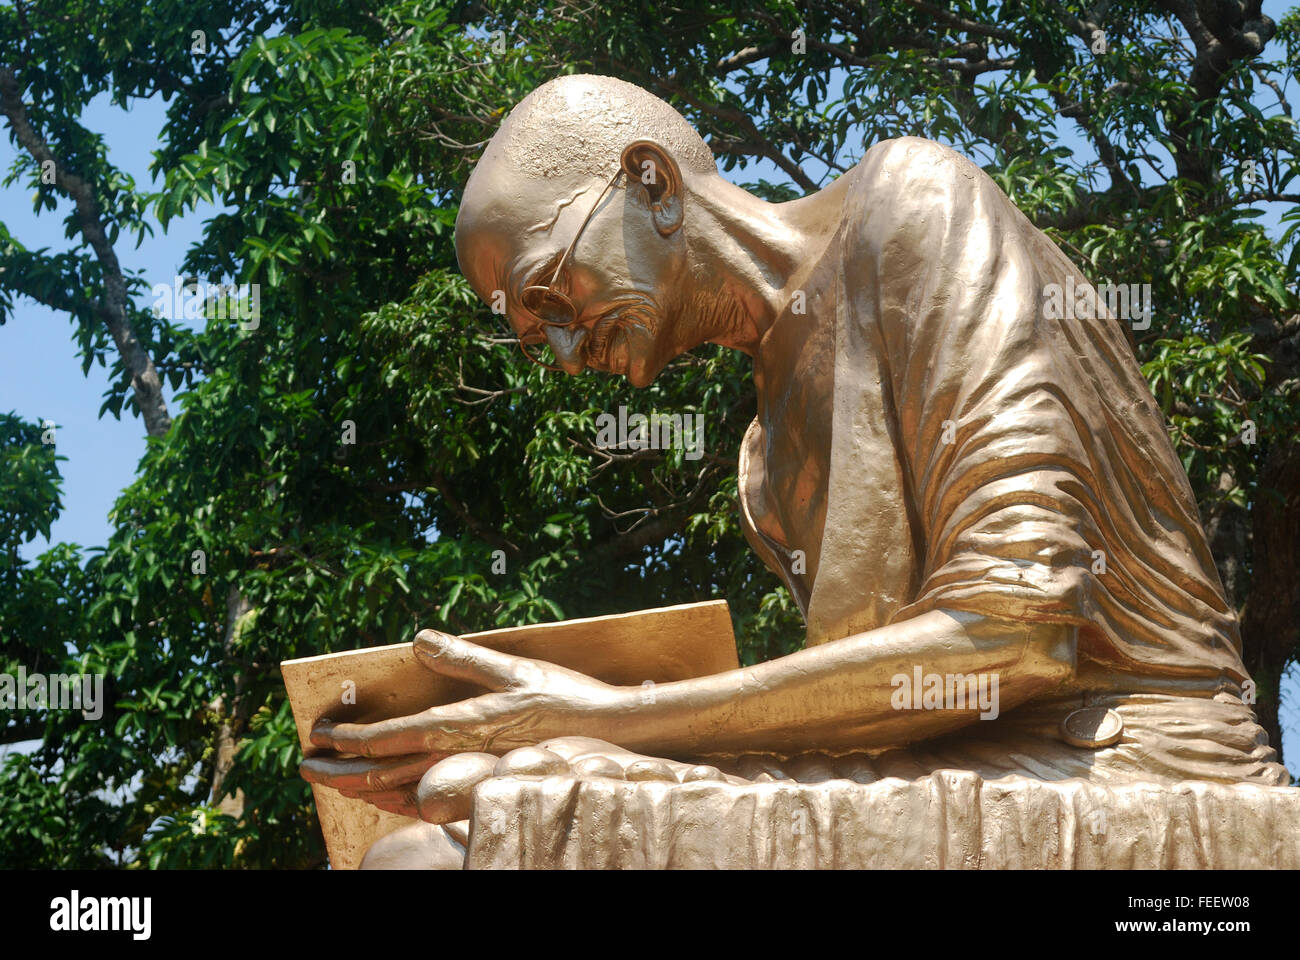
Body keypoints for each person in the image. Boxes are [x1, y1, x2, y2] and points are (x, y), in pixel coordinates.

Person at [301, 75, 1287, 865]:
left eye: (552, 291)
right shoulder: (763, 459)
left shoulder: (910, 204)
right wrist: (585, 727)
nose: (563, 351)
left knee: (507, 816)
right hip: (950, 762)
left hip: (1118, 758)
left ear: (651, 183)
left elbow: (1015, 635)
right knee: (441, 828)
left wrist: (621, 718)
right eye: (532, 336)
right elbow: (889, 714)